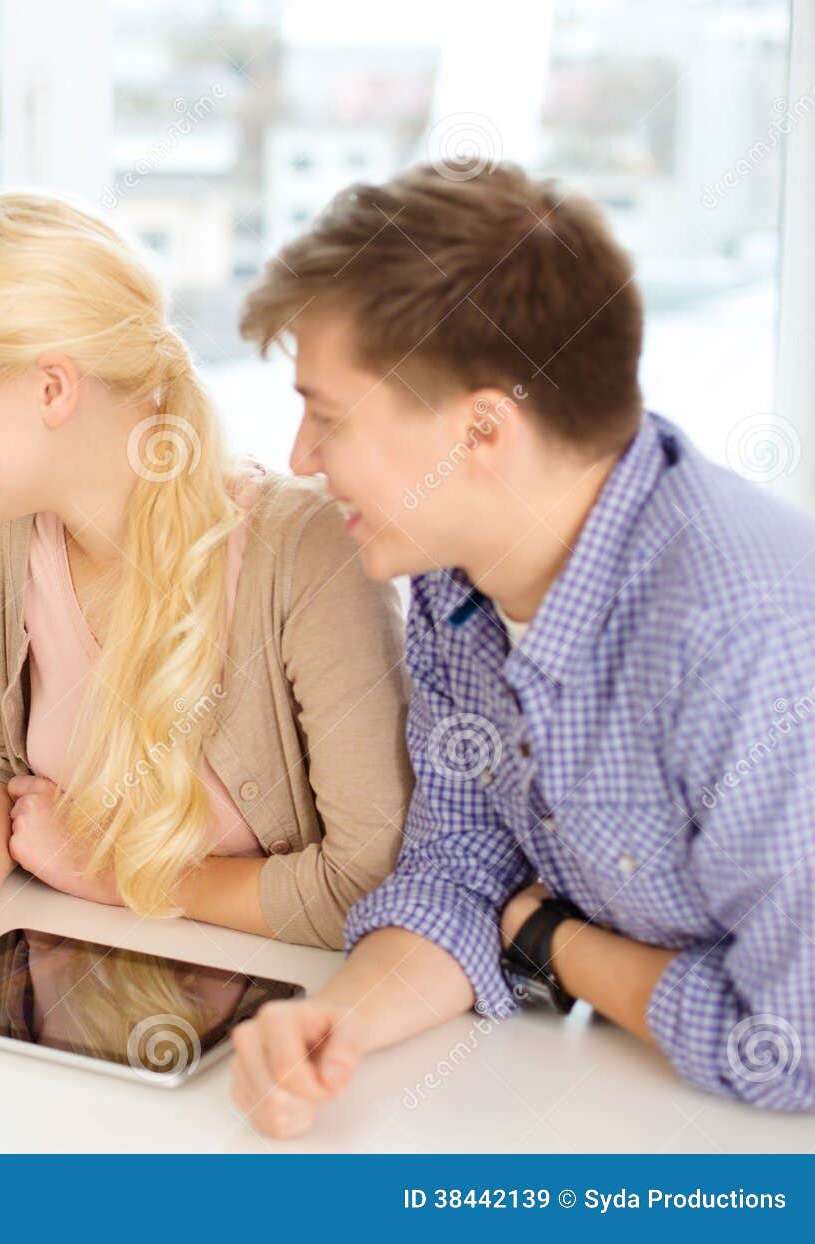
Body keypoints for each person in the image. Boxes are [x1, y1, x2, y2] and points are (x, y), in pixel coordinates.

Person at [229, 161, 815, 1136]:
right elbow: (459, 866)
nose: (299, 455)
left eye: (328, 415)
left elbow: (788, 1042)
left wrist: (549, 938)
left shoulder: (746, 637)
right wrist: (339, 1019)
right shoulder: (455, 578)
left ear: (482, 429)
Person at [0, 192, 411, 974]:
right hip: (76, 983)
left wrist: (117, 874)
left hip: (263, 1005)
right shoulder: (1, 527)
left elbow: (368, 884)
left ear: (51, 389)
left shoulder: (305, 553)